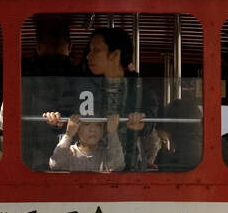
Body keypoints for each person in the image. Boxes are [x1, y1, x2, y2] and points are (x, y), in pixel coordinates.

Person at [43, 26, 154, 171]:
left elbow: (153, 119)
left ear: (115, 55)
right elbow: (66, 113)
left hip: (133, 165)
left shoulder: (140, 87)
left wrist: (143, 123)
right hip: (90, 165)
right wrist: (56, 119)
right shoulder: (80, 85)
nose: (88, 56)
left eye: (96, 50)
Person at [22, 15, 81, 169]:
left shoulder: (22, 76)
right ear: (70, 46)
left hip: (30, 153)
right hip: (75, 154)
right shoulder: (83, 77)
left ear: (38, 47)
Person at [49, 113, 125, 172]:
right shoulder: (69, 152)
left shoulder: (106, 154)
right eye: (86, 124)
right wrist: (68, 135)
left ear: (103, 130)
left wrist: (112, 134)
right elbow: (56, 166)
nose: (93, 129)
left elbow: (117, 167)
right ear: (77, 128)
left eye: (99, 125)